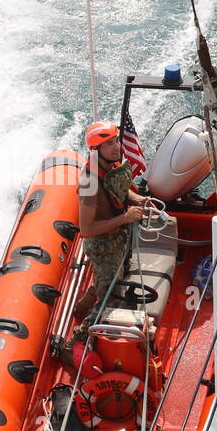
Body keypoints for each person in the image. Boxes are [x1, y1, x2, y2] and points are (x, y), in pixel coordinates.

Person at [63, 121, 146, 356]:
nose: (116, 147)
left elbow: (120, 191)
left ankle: (86, 300)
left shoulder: (111, 164)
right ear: (95, 149)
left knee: (119, 272)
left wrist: (136, 200)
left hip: (119, 235)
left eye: (116, 141)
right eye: (108, 144)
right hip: (103, 244)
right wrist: (126, 218)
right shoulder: (89, 183)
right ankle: (72, 345)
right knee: (110, 295)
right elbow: (87, 229)